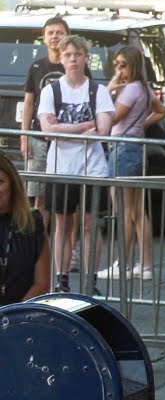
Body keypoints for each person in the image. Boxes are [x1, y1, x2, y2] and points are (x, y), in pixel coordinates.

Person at [37, 35, 114, 294]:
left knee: (91, 223)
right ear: (61, 59)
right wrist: (83, 126)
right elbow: (48, 131)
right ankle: (62, 279)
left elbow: (103, 130)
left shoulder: (98, 91)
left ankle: (91, 280)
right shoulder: (51, 91)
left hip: (93, 167)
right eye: (68, 55)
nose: (73, 59)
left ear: (86, 57)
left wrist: (62, 128)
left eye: (78, 54)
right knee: (63, 223)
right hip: (61, 167)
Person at [97, 45, 165, 282]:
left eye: (123, 65)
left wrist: (109, 89)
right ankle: (145, 265)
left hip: (123, 149)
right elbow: (161, 110)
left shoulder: (130, 90)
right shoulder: (143, 88)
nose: (118, 70)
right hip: (134, 146)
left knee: (124, 211)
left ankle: (123, 263)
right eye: (116, 65)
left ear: (134, 65)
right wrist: (140, 126)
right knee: (137, 211)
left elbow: (111, 117)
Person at [20, 16, 68, 231]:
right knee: (38, 197)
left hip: (67, 140)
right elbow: (28, 103)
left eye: (59, 32)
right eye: (50, 33)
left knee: (64, 199)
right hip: (39, 138)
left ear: (67, 36)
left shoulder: (74, 65)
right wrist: (24, 137)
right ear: (44, 38)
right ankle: (39, 243)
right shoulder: (36, 67)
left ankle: (64, 247)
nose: (55, 36)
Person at [0, 155, 51, 305]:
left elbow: (41, 284)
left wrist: (15, 314)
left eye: (0, 182)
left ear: (13, 184)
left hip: (20, 312)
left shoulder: (33, 223)